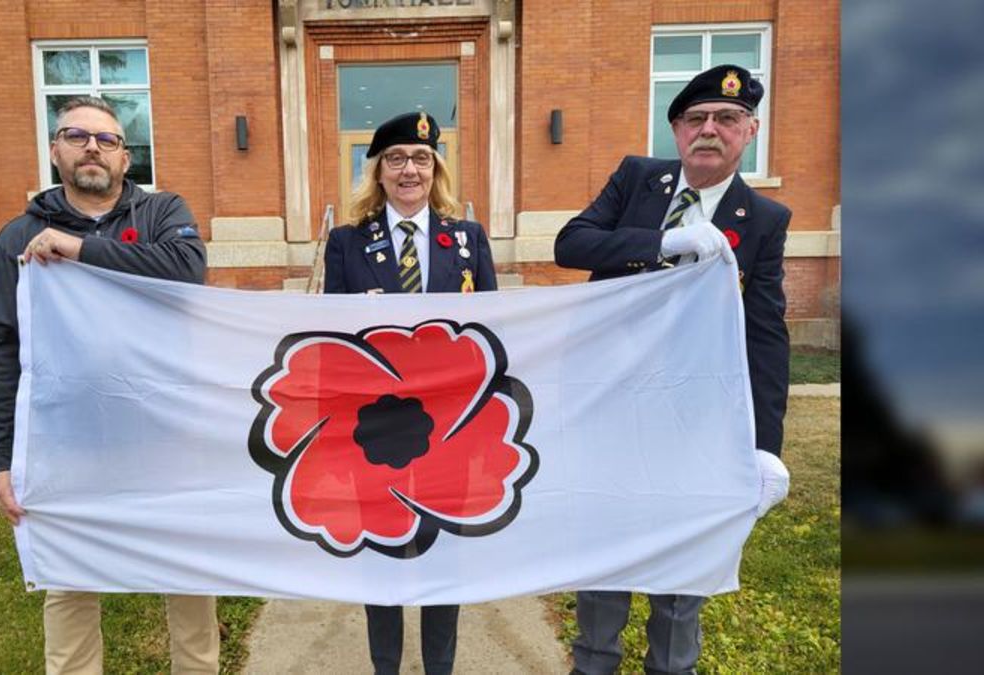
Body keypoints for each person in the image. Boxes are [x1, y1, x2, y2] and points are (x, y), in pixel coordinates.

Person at [553, 65, 792, 674]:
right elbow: (571, 244)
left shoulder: (762, 219)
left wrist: (765, 447)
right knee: (605, 564)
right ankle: (593, 664)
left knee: (682, 577)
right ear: (677, 129)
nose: (710, 131)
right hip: (611, 411)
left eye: (727, 119)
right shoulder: (638, 179)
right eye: (696, 119)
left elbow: (765, 337)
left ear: (750, 131)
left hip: (696, 426)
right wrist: (660, 244)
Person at [0, 96, 216, 674]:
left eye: (106, 139)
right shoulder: (17, 238)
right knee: (69, 579)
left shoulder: (161, 212)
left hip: (163, 431)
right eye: (76, 135)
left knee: (187, 570)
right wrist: (3, 459)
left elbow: (186, 270)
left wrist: (78, 249)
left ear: (124, 156)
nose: (92, 147)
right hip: (67, 437)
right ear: (55, 149)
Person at [323, 111, 498, 674]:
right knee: (384, 558)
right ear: (377, 171)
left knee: (444, 558)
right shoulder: (346, 243)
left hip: (453, 431)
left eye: (421, 158)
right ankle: (386, 668)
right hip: (375, 431)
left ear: (436, 170)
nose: (409, 170)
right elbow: (332, 343)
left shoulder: (468, 240)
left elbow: (493, 335)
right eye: (395, 159)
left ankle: (440, 668)